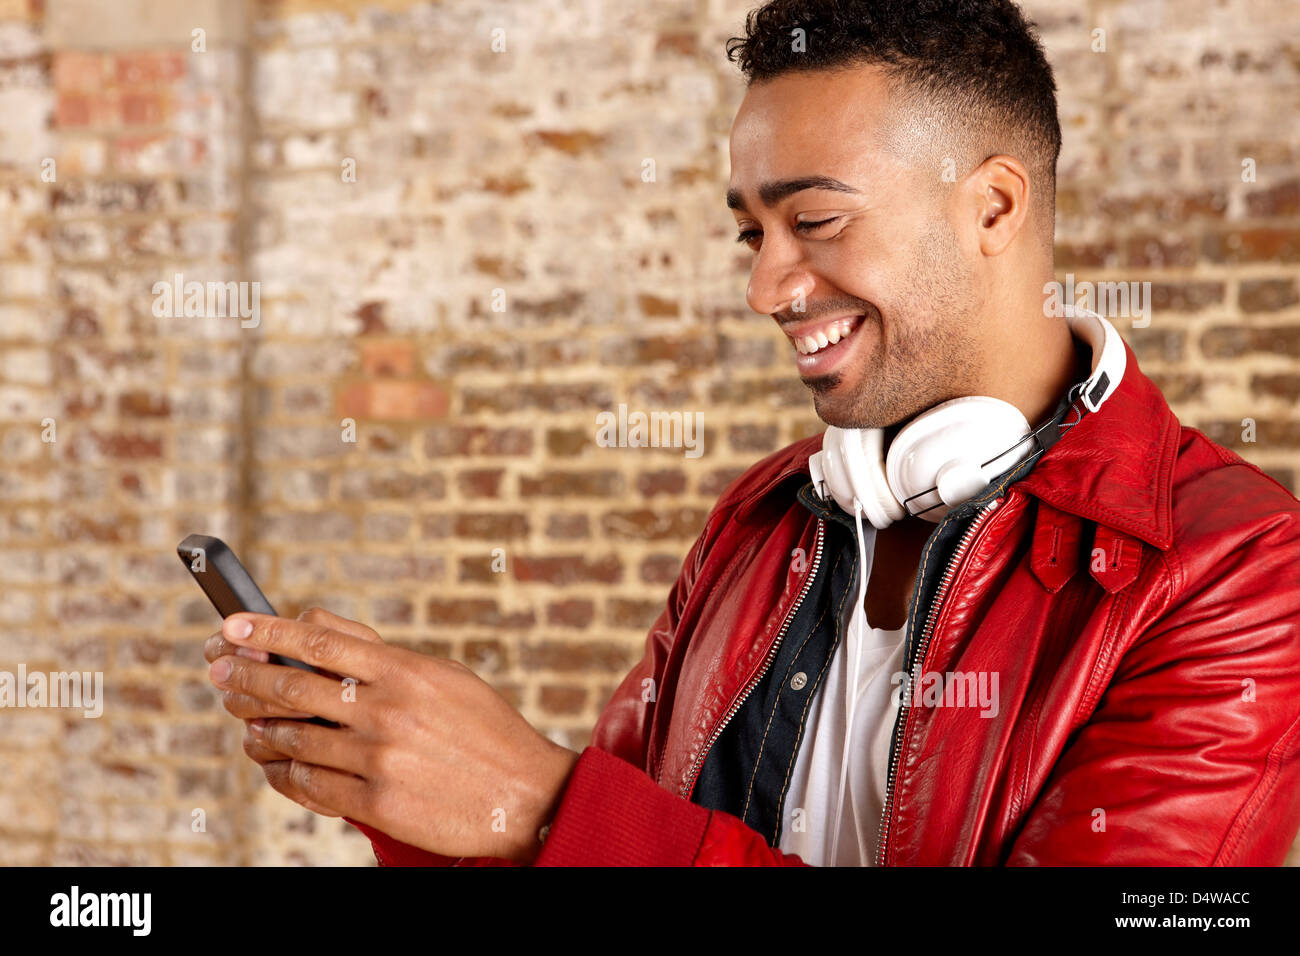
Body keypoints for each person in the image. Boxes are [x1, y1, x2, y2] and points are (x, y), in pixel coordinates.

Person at [205, 0, 1300, 865]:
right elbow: (603, 840)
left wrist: (536, 803)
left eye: (814, 220)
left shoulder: (1239, 566)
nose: (766, 284)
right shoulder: (760, 519)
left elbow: (581, 829)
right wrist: (403, 783)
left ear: (994, 209)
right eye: (750, 231)